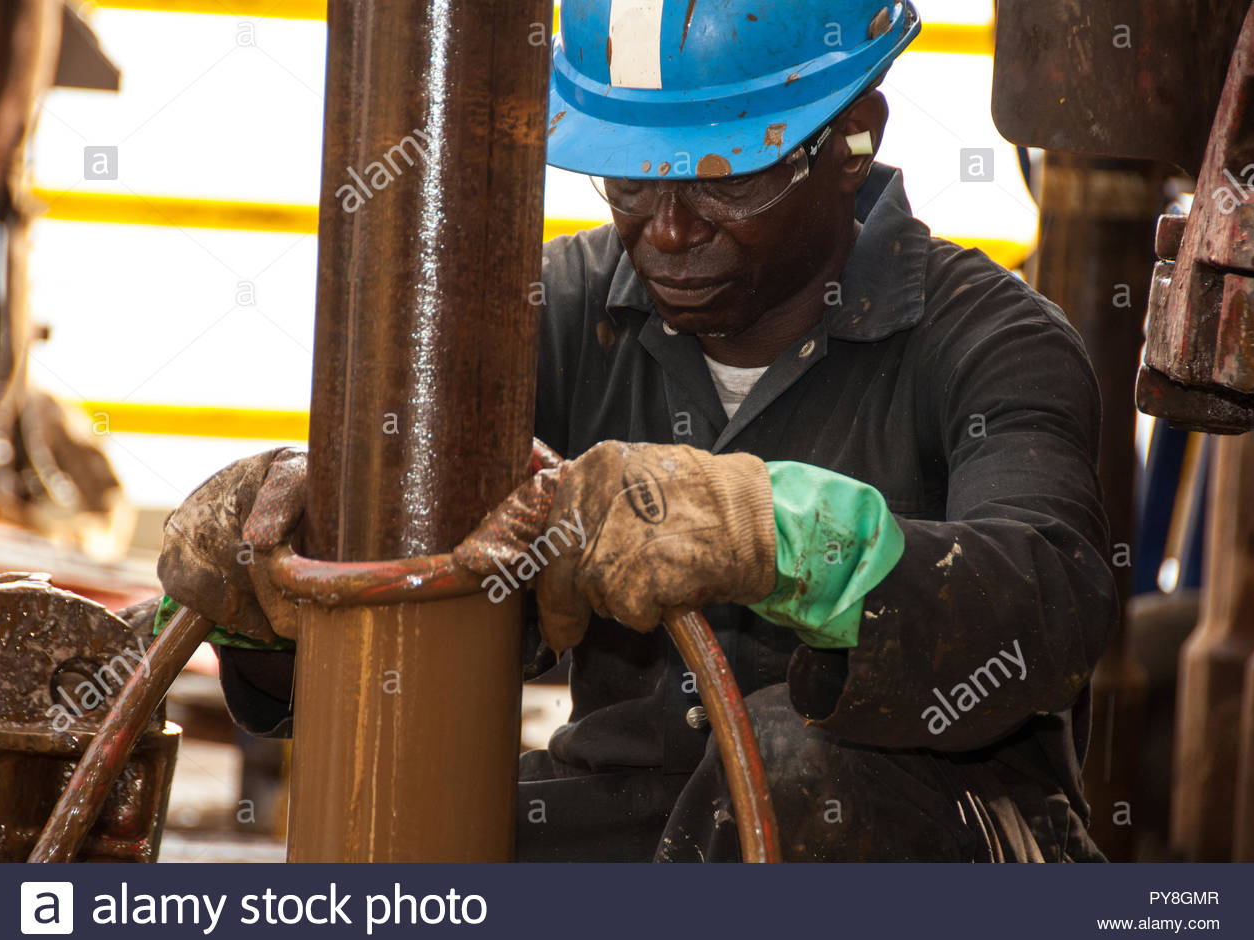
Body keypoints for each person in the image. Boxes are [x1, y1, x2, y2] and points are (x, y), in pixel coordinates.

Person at [156, 0, 1117, 862]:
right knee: (418, 837)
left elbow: (1051, 605)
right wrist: (281, 580)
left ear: (853, 139)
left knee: (794, 776)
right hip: (645, 822)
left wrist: (780, 538)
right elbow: (417, 619)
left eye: (723, 180)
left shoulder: (995, 340)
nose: (666, 230)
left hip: (953, 835)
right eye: (629, 183)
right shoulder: (551, 313)